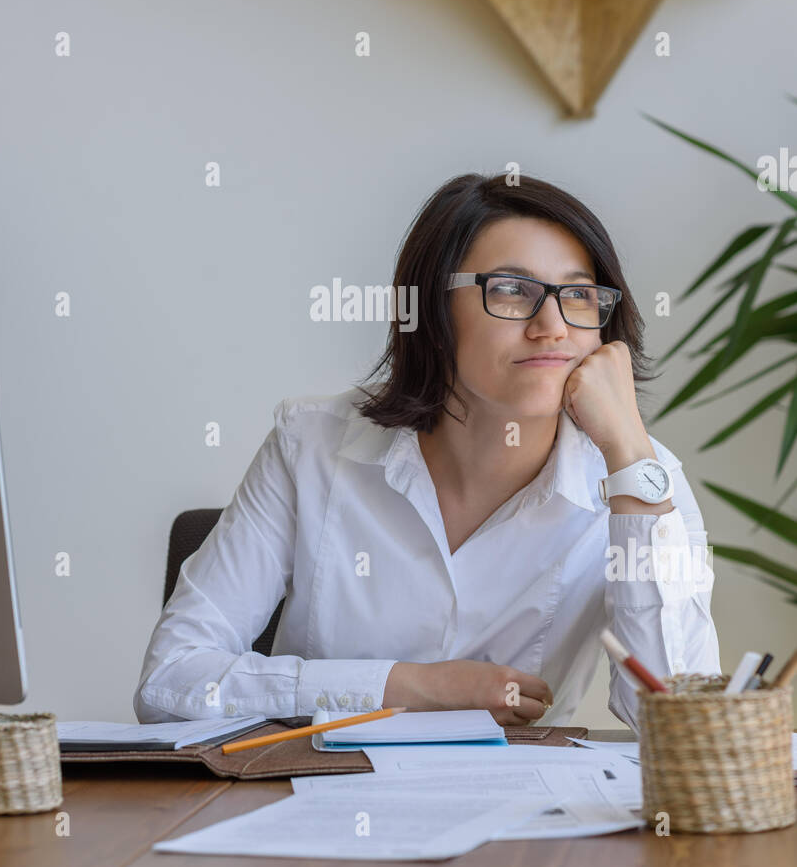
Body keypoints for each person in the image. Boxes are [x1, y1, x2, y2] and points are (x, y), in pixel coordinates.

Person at [134, 172, 720, 734]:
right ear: (432, 314)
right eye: (512, 290)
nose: (553, 325)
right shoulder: (311, 445)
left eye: (580, 295)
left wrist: (629, 453)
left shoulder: (642, 478)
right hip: (316, 806)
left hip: (518, 819)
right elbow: (170, 681)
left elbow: (678, 721)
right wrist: (413, 688)